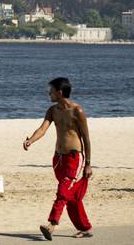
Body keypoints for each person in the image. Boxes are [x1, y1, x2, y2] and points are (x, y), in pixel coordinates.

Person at [23, 77, 93, 241]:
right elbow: (42, 128)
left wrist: (88, 164)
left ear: (60, 92)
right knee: (71, 198)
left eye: (51, 90)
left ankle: (51, 225)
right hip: (58, 159)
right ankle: (85, 227)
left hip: (75, 159)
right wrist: (31, 140)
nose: (49, 93)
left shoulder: (77, 111)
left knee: (62, 192)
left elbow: (86, 139)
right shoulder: (52, 110)